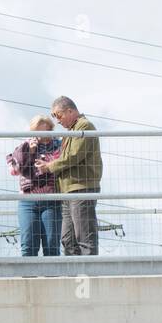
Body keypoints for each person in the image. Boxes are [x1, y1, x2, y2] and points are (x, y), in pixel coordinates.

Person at [37, 96, 103, 256]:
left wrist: (49, 167)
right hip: (68, 191)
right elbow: (66, 157)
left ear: (70, 111)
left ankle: (89, 276)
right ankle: (75, 276)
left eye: (58, 115)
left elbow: (73, 156)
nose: (58, 121)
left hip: (81, 188)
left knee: (84, 237)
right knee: (67, 239)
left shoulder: (84, 126)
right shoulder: (71, 131)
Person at [8, 115, 63, 257]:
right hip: (27, 200)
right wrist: (30, 153)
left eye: (45, 132)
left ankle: (52, 277)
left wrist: (48, 164)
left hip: (51, 200)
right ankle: (28, 278)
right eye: (37, 132)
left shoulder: (60, 146)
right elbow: (14, 170)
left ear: (51, 130)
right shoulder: (24, 147)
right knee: (28, 244)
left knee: (51, 245)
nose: (41, 137)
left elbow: (62, 164)